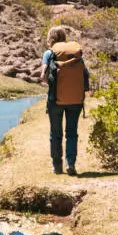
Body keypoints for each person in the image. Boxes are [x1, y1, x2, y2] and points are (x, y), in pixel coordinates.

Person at [41, 26, 90, 176]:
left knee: (55, 133)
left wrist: (49, 80)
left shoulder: (50, 53)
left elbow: (43, 75)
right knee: (71, 133)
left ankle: (57, 166)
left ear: (51, 38)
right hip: (75, 100)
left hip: (55, 99)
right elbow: (85, 74)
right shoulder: (75, 53)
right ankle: (71, 164)